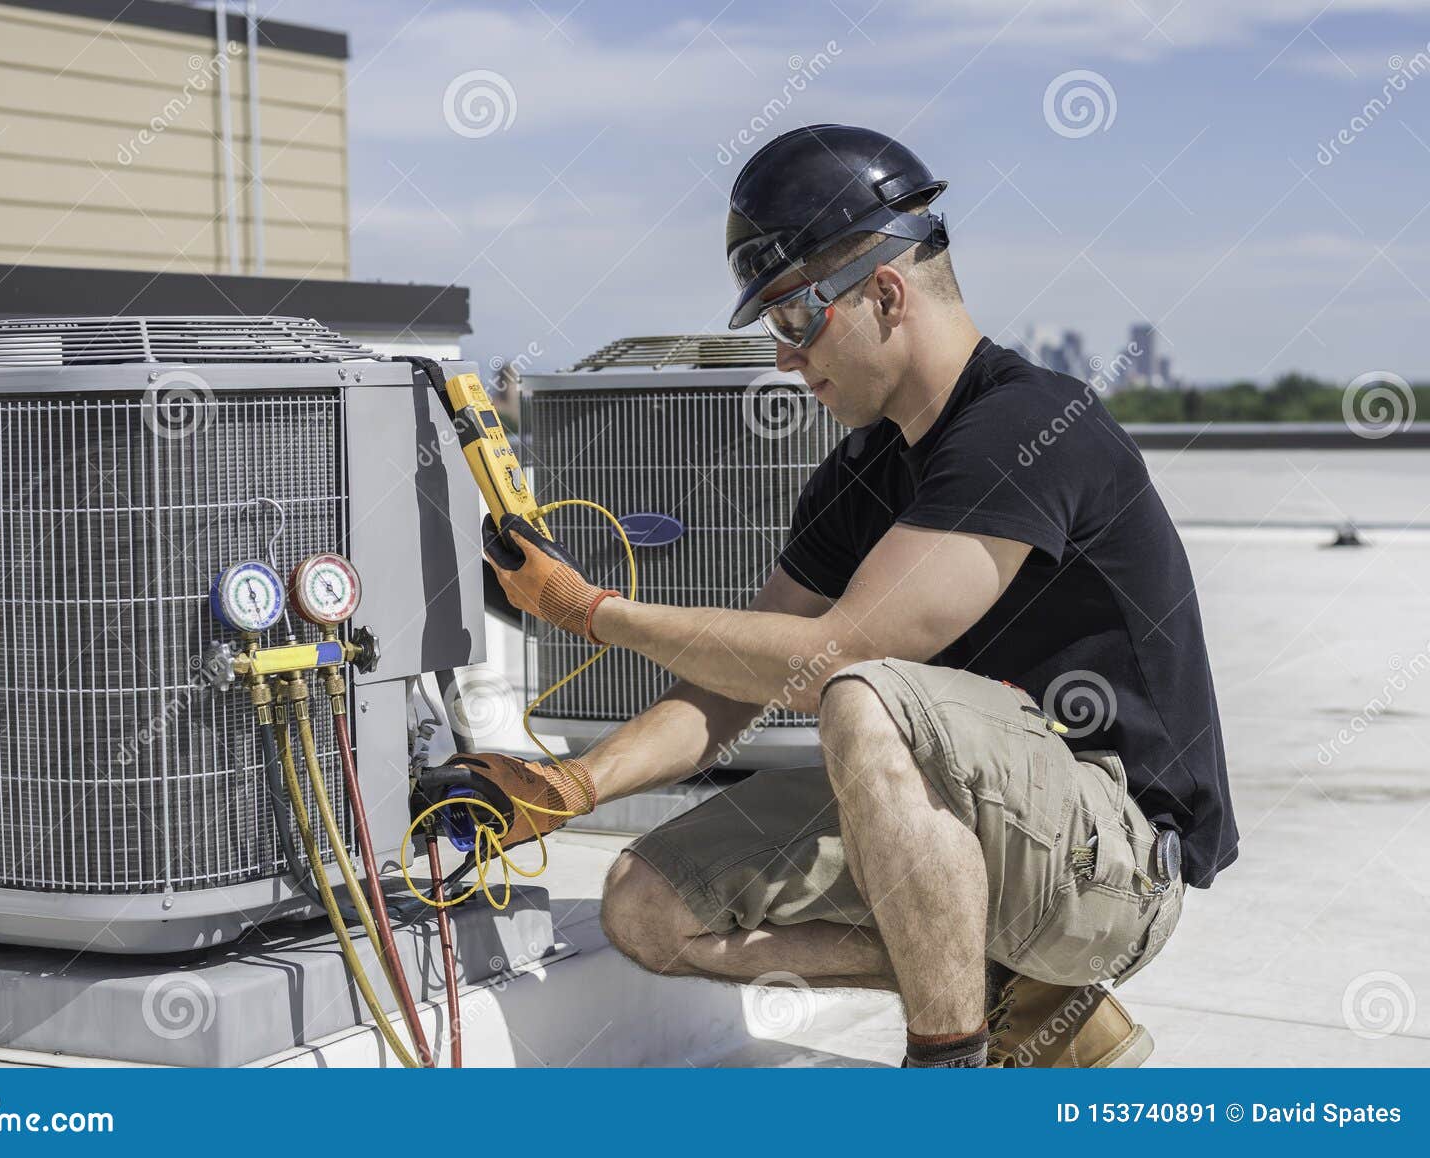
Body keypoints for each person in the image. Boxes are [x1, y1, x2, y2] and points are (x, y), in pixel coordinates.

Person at [464, 124, 1236, 1068]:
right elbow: (736, 681)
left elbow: (836, 652)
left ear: (883, 292)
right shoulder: (859, 475)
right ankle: (1012, 993)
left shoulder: (1030, 425)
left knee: (864, 698)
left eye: (794, 320)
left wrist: (591, 612)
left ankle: (948, 1070)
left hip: (1112, 863)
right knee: (646, 906)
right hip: (982, 836)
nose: (786, 358)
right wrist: (573, 784)